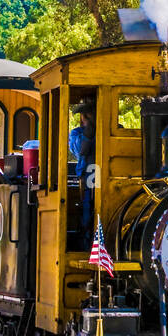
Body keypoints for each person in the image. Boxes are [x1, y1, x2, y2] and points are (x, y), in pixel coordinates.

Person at [69, 100, 96, 240]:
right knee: (87, 210)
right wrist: (89, 131)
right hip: (87, 177)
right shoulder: (76, 134)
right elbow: (81, 150)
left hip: (106, 175)